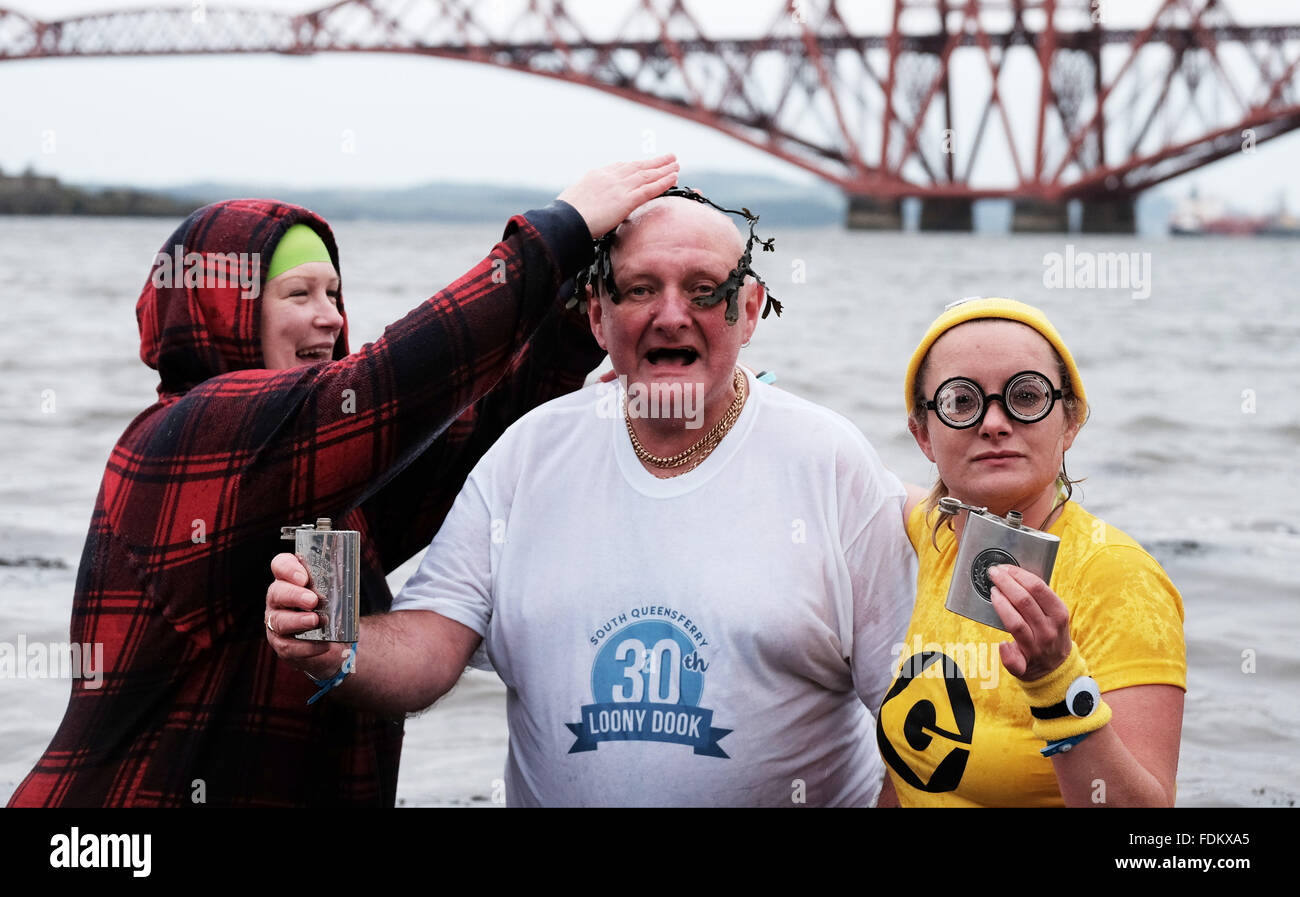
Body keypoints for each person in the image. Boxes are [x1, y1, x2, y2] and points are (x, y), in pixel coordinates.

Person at [8, 156, 680, 808]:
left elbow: (474, 431)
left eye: (333, 292)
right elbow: (396, 382)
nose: (329, 316)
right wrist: (557, 231)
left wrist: (586, 311)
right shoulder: (186, 435)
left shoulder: (322, 487)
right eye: (298, 293)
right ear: (215, 307)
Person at [265, 192, 917, 806]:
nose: (670, 313)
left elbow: (917, 718)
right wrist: (332, 646)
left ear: (748, 310)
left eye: (703, 289)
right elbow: (432, 643)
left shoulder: (831, 461)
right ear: (599, 315)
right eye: (640, 289)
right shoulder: (528, 454)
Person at [876, 297, 1186, 807]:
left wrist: (1055, 680)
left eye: (1025, 396)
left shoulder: (1117, 578)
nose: (995, 423)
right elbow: (841, 469)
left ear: (1071, 420)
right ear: (922, 434)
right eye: (961, 401)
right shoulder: (935, 536)